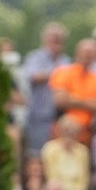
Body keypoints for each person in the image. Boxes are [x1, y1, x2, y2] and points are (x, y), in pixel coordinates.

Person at [49, 38, 96, 145]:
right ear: (77, 54)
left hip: (88, 128)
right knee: (69, 124)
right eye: (85, 53)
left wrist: (72, 99)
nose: (88, 57)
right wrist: (90, 102)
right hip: (63, 126)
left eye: (91, 54)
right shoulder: (63, 72)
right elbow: (60, 101)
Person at [21, 22, 70, 158]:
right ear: (45, 40)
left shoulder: (66, 60)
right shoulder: (35, 57)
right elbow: (33, 76)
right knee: (37, 154)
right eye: (53, 39)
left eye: (60, 39)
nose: (56, 42)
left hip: (60, 116)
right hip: (39, 115)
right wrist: (57, 73)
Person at [40, 115, 90, 190]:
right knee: (53, 187)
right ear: (59, 131)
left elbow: (83, 180)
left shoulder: (83, 151)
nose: (69, 134)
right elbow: (51, 176)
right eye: (66, 131)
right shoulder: (50, 148)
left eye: (73, 132)